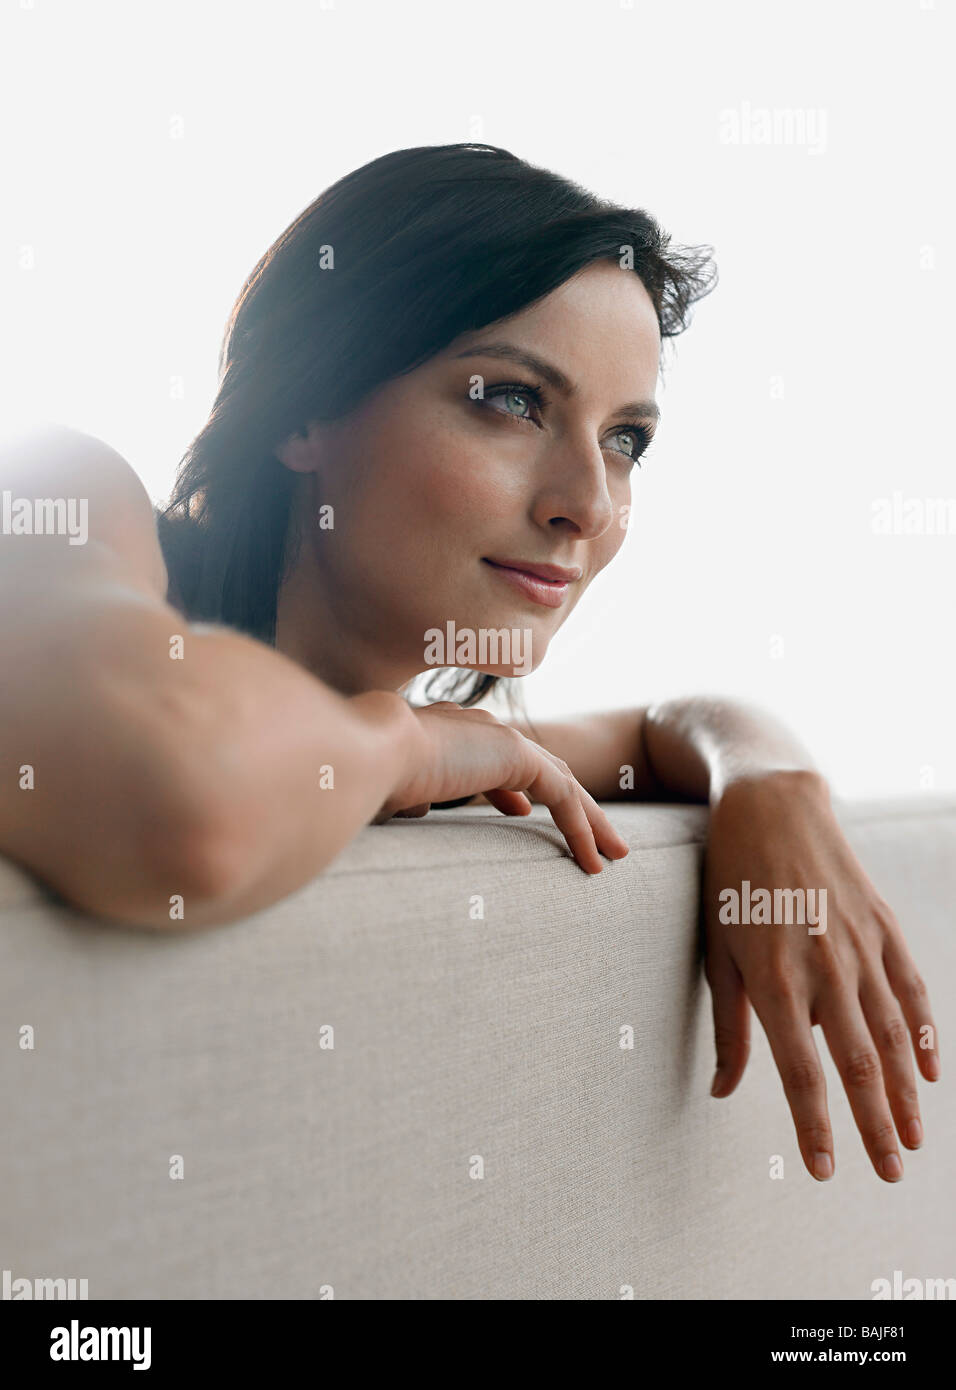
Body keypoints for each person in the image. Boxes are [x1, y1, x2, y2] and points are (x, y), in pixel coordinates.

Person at [0, 142, 938, 1187]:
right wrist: (407, 746)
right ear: (305, 405)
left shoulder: (421, 737)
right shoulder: (56, 496)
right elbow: (188, 802)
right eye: (513, 400)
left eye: (625, 440)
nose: (587, 504)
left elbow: (661, 725)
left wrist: (773, 786)